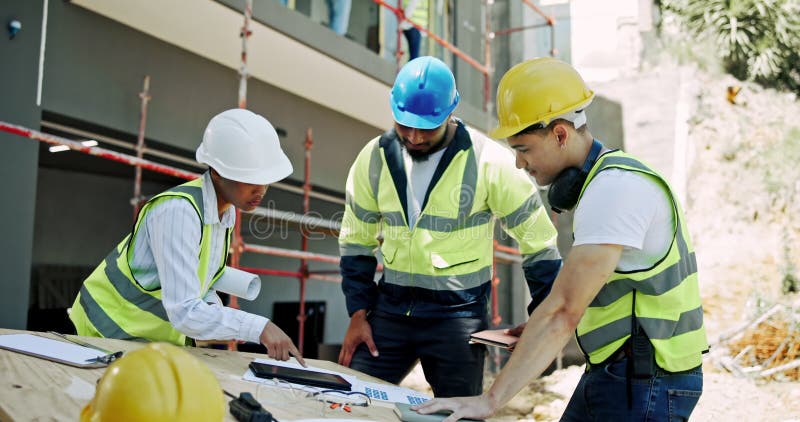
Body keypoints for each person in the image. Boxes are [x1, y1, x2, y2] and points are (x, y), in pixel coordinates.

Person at [414, 58, 708, 421]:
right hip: (623, 372)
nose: (519, 163)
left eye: (523, 149)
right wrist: (536, 331)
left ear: (559, 135)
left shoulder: (614, 189)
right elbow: (591, 297)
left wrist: (489, 401)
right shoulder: (611, 182)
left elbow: (564, 311)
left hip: (644, 380)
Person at [337, 56, 562, 397]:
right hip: (390, 311)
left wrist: (542, 316)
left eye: (426, 127)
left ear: (450, 112)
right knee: (350, 399)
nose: (414, 137)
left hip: (458, 317)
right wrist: (357, 313)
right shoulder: (374, 158)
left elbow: (539, 242)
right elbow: (356, 241)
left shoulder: (489, 161)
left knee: (459, 413)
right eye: (404, 125)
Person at [69, 108, 306, 366]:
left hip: (143, 342)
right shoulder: (178, 211)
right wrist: (258, 327)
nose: (261, 189)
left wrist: (214, 310)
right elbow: (184, 311)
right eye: (250, 178)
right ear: (217, 171)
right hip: (102, 333)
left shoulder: (224, 213)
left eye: (266, 179)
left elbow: (202, 279)